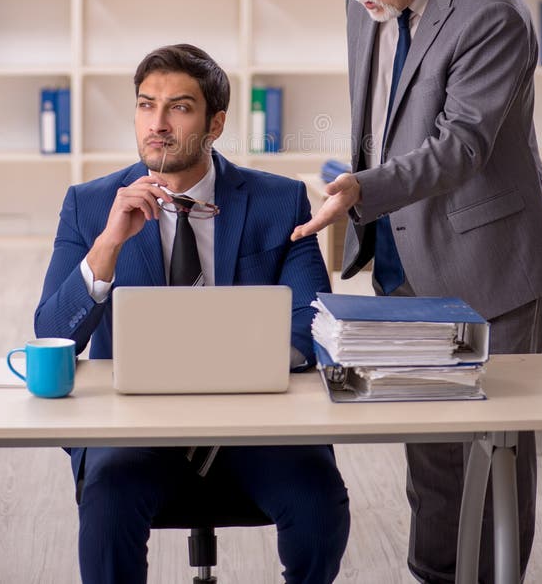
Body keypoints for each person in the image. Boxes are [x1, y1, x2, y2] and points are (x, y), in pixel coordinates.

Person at [291, 0, 542, 584]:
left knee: (491, 445)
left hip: (484, 261)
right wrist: (357, 183)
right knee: (429, 443)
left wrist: (364, 190)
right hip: (400, 249)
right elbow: (377, 112)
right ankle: (435, 576)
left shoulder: (490, 13)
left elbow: (461, 145)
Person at [35, 43, 350, 584]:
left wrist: (228, 360)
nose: (157, 123)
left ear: (215, 123)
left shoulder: (280, 201)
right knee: (107, 504)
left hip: (257, 426)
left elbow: (311, 320)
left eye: (178, 107)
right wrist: (108, 245)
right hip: (135, 430)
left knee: (320, 502)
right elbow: (51, 333)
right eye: (145, 105)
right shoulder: (90, 205)